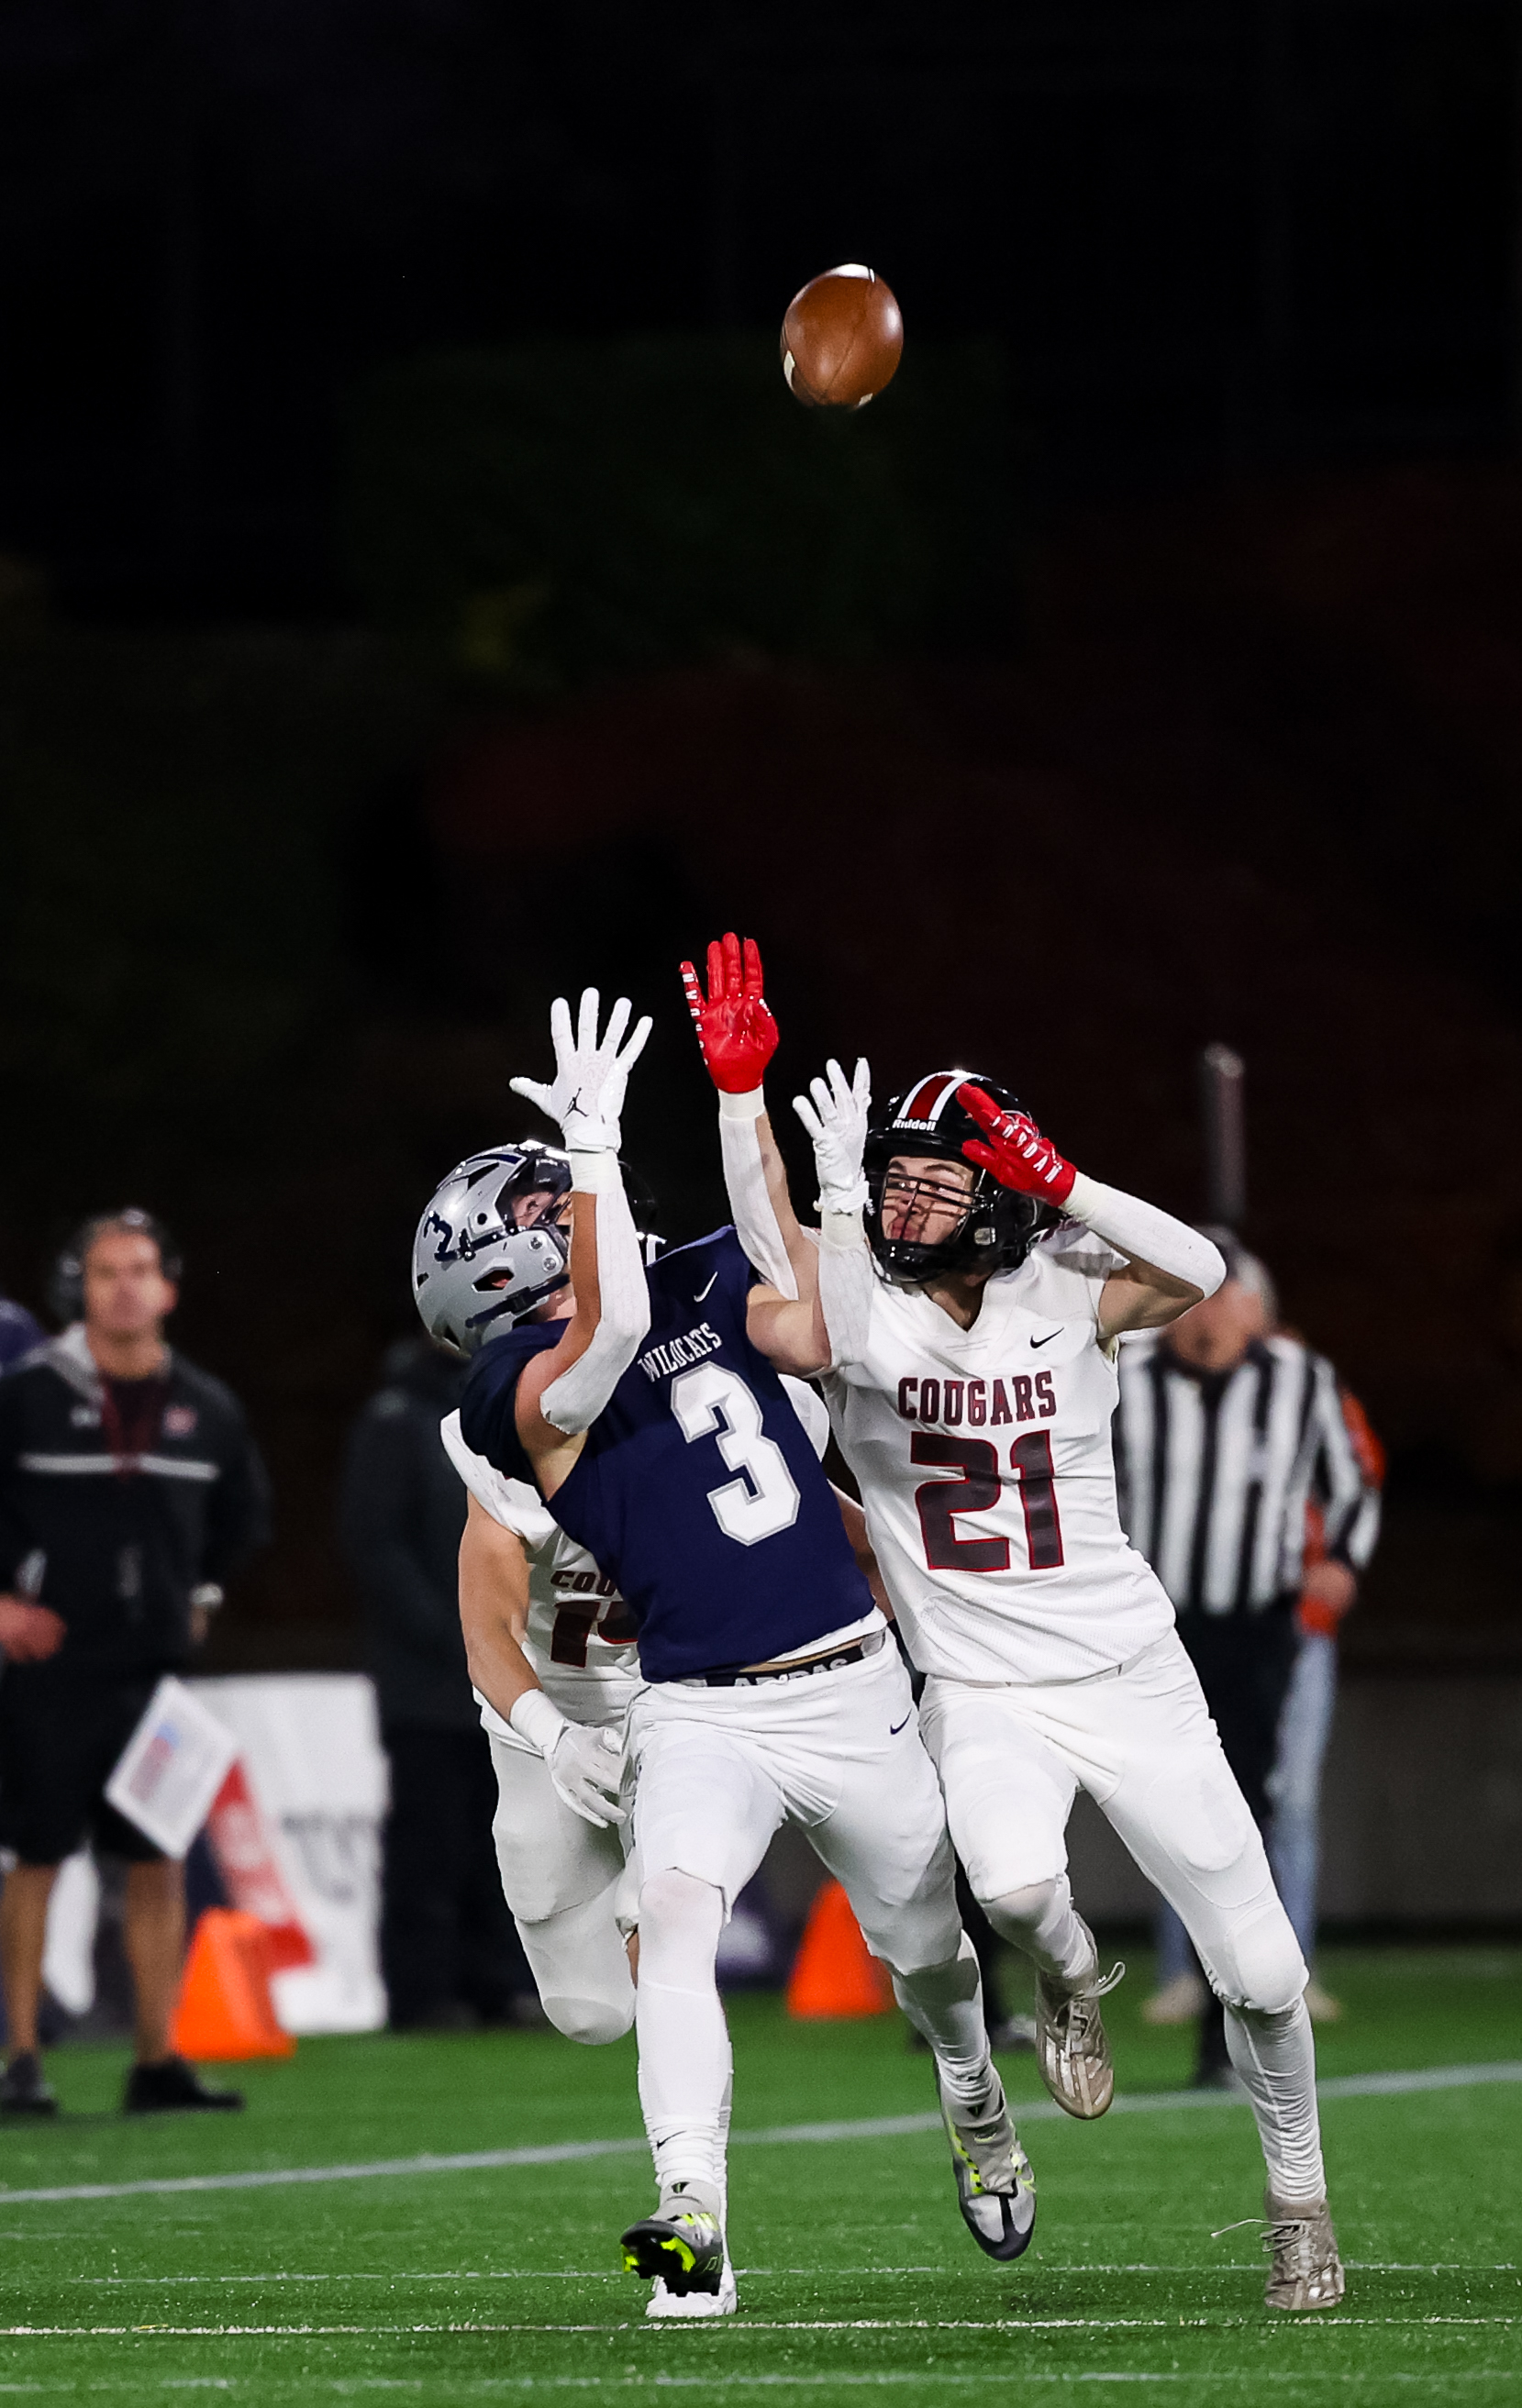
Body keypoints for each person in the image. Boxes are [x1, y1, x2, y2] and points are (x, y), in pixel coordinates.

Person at [689, 931, 1345, 2314]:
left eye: (937, 1178)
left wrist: (1060, 1178)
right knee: (1011, 1890)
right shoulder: (867, 1310)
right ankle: (1069, 1977)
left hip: (1130, 1671)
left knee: (1264, 1973)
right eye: (897, 1176)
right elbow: (783, 1259)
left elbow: (1201, 1267)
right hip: (981, 1690)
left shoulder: (1067, 1289)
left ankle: (1296, 2197)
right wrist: (741, 1097)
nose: (906, 1197)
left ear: (998, 1196)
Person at [457, 988, 1036, 2317]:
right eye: (544, 1221)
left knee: (930, 1958)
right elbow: (599, 1343)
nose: (565, 1222)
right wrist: (595, 1149)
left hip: (845, 1677)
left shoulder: (702, 1275)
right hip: (695, 1708)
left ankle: (971, 2093)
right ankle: (689, 2216)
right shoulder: (506, 1394)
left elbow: (818, 1320)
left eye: (565, 1203)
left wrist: (742, 1107)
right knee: (669, 1928)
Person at [0, 1209, 270, 2114]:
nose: (123, 1286)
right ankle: (22, 2058)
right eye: (105, 1270)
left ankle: (157, 2059)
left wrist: (202, 1596)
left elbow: (242, 1519)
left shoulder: (206, 1405)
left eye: (140, 1269)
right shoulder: (27, 1393)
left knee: (156, 1858)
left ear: (169, 1287)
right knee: (37, 1855)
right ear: (80, 1286)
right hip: (52, 1668)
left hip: (155, 1672)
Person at [1113, 1246, 1382, 2060]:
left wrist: (1339, 1559)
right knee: (1166, 1803)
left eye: (1219, 1295)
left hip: (1265, 1623)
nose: (1206, 1312)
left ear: (1250, 1307)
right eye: (1191, 1295)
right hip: (1156, 1625)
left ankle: (1260, 1984)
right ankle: (1190, 1979)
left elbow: (1354, 1481)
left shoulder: (1299, 1377)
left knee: (1259, 1805)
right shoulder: (1124, 1374)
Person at [339, 1332, 538, 2030]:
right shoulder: (397, 1418)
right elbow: (376, 1544)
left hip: (507, 1677)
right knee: (430, 1842)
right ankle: (421, 1991)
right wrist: (464, 1631)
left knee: (504, 1839)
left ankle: (500, 1983)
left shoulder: (512, 1409)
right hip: (427, 1684)